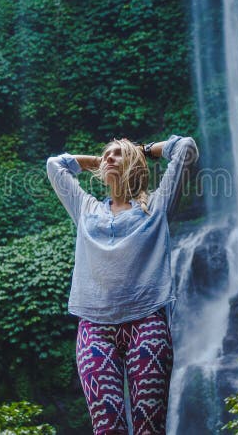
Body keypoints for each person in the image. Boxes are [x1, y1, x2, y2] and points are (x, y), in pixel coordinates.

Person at [46, 135, 198, 435]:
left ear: (134, 165)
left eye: (119, 155)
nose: (111, 158)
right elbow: (55, 166)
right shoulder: (86, 209)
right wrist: (100, 162)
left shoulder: (157, 205)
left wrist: (141, 151)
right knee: (107, 430)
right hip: (94, 328)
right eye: (107, 155)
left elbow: (186, 148)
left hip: (147, 324)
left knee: (149, 429)